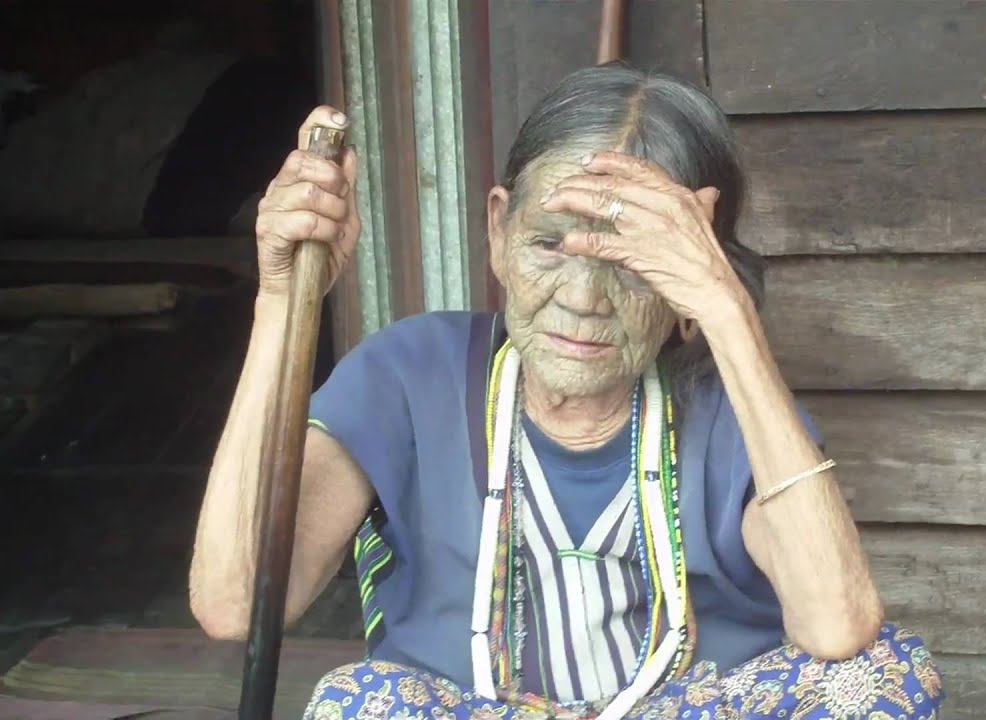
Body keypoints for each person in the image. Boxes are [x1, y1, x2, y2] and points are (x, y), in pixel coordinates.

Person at [189, 63, 944, 720]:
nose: (583, 298)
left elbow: (839, 628)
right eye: (549, 242)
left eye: (632, 262)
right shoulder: (411, 373)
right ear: (497, 230)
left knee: (884, 675)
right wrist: (282, 301)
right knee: (358, 703)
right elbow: (235, 603)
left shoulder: (729, 408)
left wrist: (724, 308)